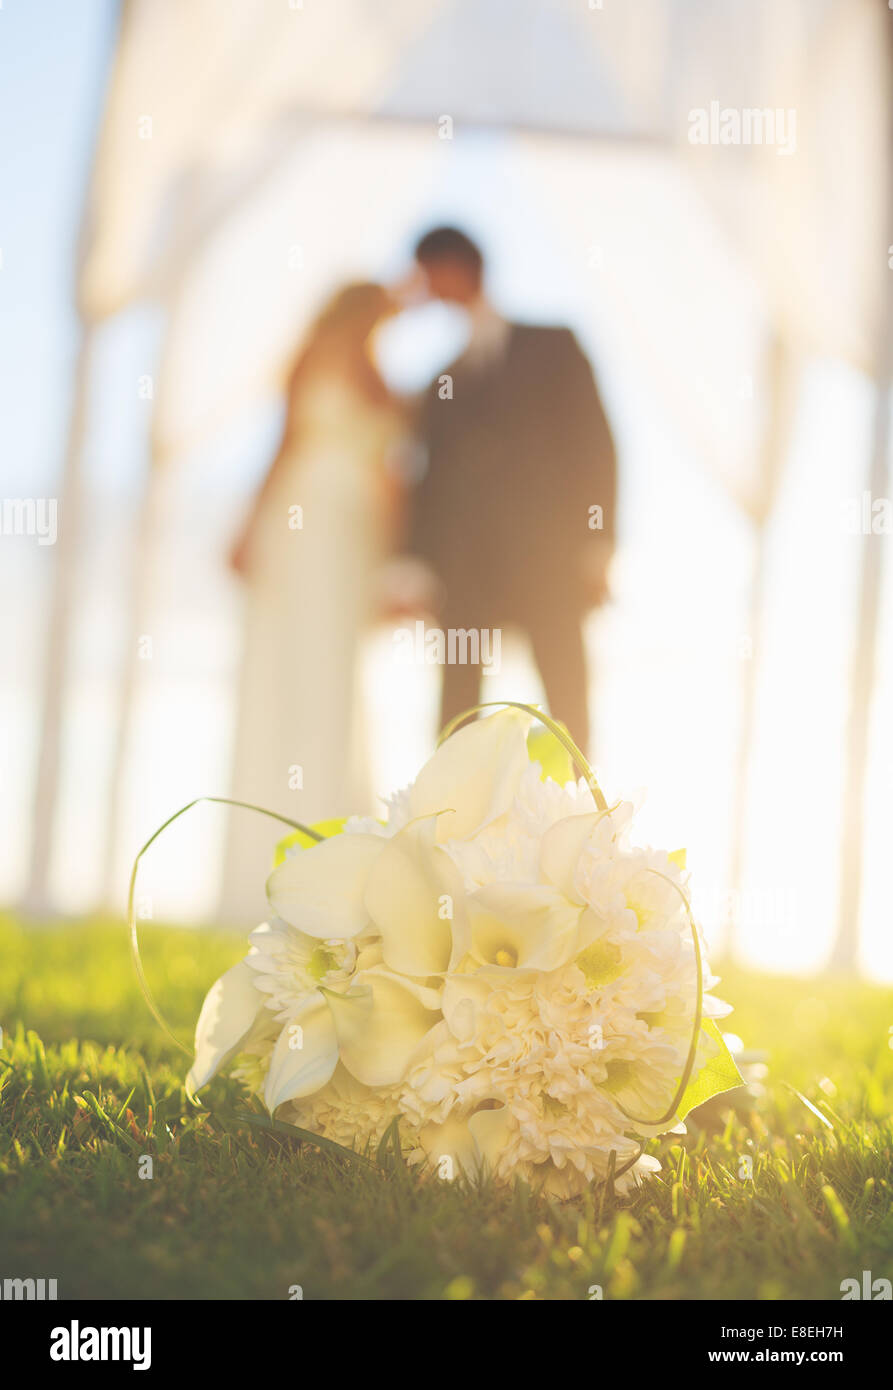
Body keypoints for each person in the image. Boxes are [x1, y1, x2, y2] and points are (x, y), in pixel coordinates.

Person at [221, 282, 402, 921]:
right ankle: (268, 864)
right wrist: (248, 527)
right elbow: (283, 445)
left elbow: (394, 479)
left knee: (338, 684)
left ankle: (339, 867)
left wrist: (393, 568)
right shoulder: (313, 359)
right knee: (292, 675)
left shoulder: (386, 382)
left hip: (357, 538)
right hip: (304, 525)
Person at [403, 227, 617, 754]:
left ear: (456, 267)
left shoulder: (555, 344)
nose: (425, 287)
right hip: (465, 571)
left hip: (551, 559)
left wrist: (598, 545)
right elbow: (429, 481)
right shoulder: (440, 381)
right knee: (457, 715)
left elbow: (596, 444)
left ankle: (584, 819)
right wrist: (417, 566)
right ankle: (452, 827)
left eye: (429, 273)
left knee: (566, 695)